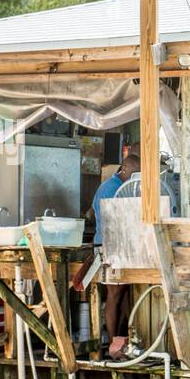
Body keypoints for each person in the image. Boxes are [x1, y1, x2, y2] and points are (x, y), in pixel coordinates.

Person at [73, 147, 140, 360]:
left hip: (124, 245)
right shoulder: (110, 188)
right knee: (114, 295)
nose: (136, 178)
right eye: (134, 173)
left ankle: (122, 340)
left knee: (126, 294)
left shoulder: (127, 187)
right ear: (125, 168)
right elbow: (113, 219)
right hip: (108, 245)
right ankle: (113, 344)